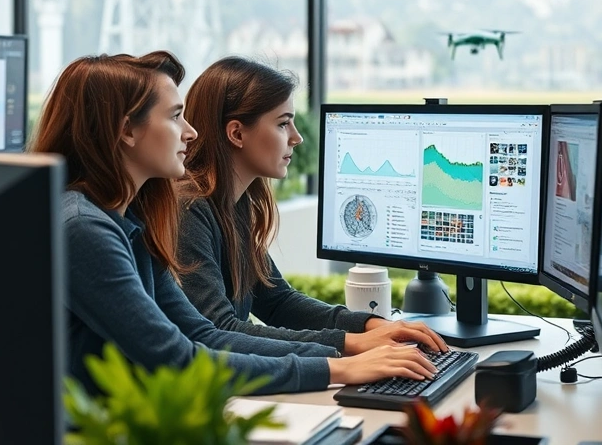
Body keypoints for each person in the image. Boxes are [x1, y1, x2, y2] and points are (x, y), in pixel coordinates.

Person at [30, 51, 438, 396]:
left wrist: (360, 340)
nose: (189, 133)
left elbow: (203, 333)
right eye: (174, 117)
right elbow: (179, 356)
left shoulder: (131, 220)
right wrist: (342, 363)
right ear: (126, 131)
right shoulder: (85, 228)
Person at [176, 57, 449, 356]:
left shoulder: (231, 205)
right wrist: (351, 344)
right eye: (283, 124)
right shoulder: (190, 210)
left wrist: (372, 325)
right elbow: (220, 330)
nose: (297, 137)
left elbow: (278, 302)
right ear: (237, 134)